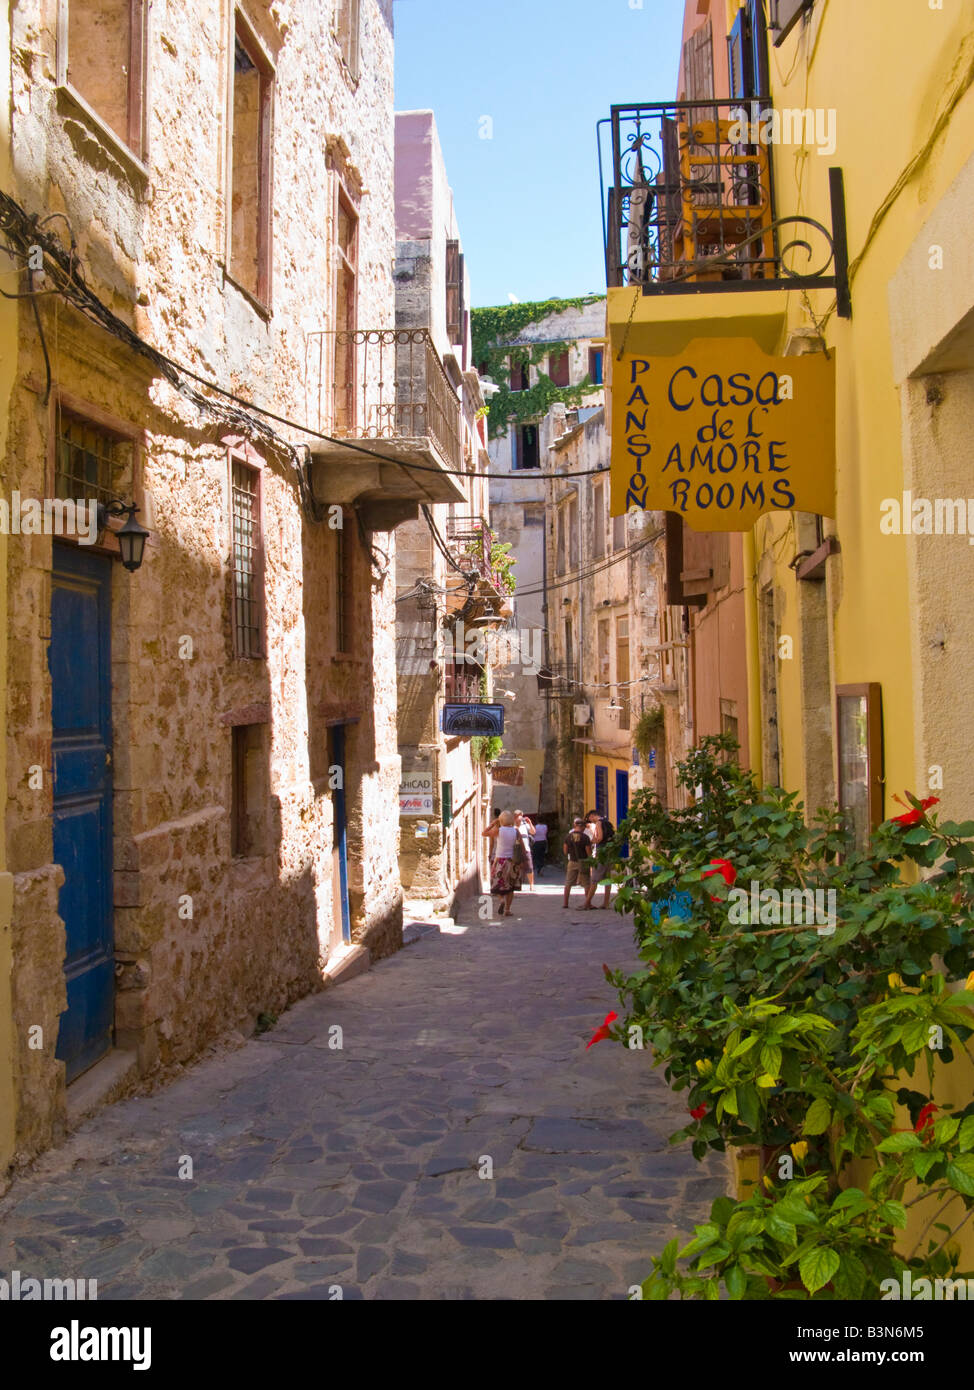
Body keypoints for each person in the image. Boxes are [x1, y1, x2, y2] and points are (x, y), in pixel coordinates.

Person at [484, 809, 522, 917]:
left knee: (497, 884)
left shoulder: (499, 831)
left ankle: (501, 900)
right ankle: (507, 910)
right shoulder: (516, 830)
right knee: (510, 887)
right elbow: (522, 846)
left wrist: (492, 824)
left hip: (500, 861)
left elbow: (484, 833)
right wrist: (522, 860)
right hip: (513, 861)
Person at [583, 809, 616, 910]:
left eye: (589, 818)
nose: (590, 821)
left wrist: (592, 840)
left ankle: (587, 903)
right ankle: (606, 903)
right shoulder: (607, 822)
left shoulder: (598, 823)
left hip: (602, 851)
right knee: (607, 877)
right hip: (610, 850)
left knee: (595, 878)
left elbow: (600, 838)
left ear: (593, 816)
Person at [563, 817, 592, 909]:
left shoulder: (568, 836)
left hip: (572, 861)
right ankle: (588, 903)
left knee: (568, 883)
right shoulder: (585, 837)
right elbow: (588, 852)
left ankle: (565, 903)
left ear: (575, 826)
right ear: (582, 827)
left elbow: (565, 851)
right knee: (586, 883)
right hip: (583, 861)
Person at [514, 810, 535, 891]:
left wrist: (530, 823)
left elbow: (533, 832)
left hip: (526, 849)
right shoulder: (512, 826)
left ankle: (531, 885)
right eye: (518, 816)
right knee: (516, 867)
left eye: (521, 816)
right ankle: (517, 884)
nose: (520, 818)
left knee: (529, 867)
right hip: (515, 849)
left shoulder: (525, 825)